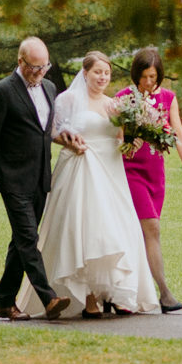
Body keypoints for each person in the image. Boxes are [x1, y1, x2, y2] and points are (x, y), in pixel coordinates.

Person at [16, 51, 158, 318]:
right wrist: (68, 140)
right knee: (88, 233)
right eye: (97, 72)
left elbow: (118, 139)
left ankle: (116, 293)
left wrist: (132, 142)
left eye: (107, 73)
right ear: (85, 72)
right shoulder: (67, 100)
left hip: (110, 172)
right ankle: (89, 299)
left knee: (114, 231)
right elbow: (52, 132)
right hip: (81, 170)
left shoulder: (114, 105)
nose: (103, 77)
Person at [0, 37, 72, 321]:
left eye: (44, 67)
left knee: (20, 241)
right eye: (34, 67)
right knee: (30, 239)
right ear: (20, 62)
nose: (40, 72)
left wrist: (64, 139)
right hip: (12, 178)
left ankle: (5, 303)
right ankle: (49, 298)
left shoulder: (50, 88)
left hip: (40, 178)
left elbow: (45, 129)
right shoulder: (2, 91)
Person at [117, 46, 182, 312]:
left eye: (153, 77)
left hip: (155, 175)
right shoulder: (123, 98)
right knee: (152, 229)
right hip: (131, 172)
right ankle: (164, 292)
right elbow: (116, 140)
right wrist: (130, 139)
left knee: (142, 233)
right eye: (144, 76)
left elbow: (179, 135)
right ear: (135, 74)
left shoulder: (168, 98)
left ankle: (127, 292)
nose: (148, 82)